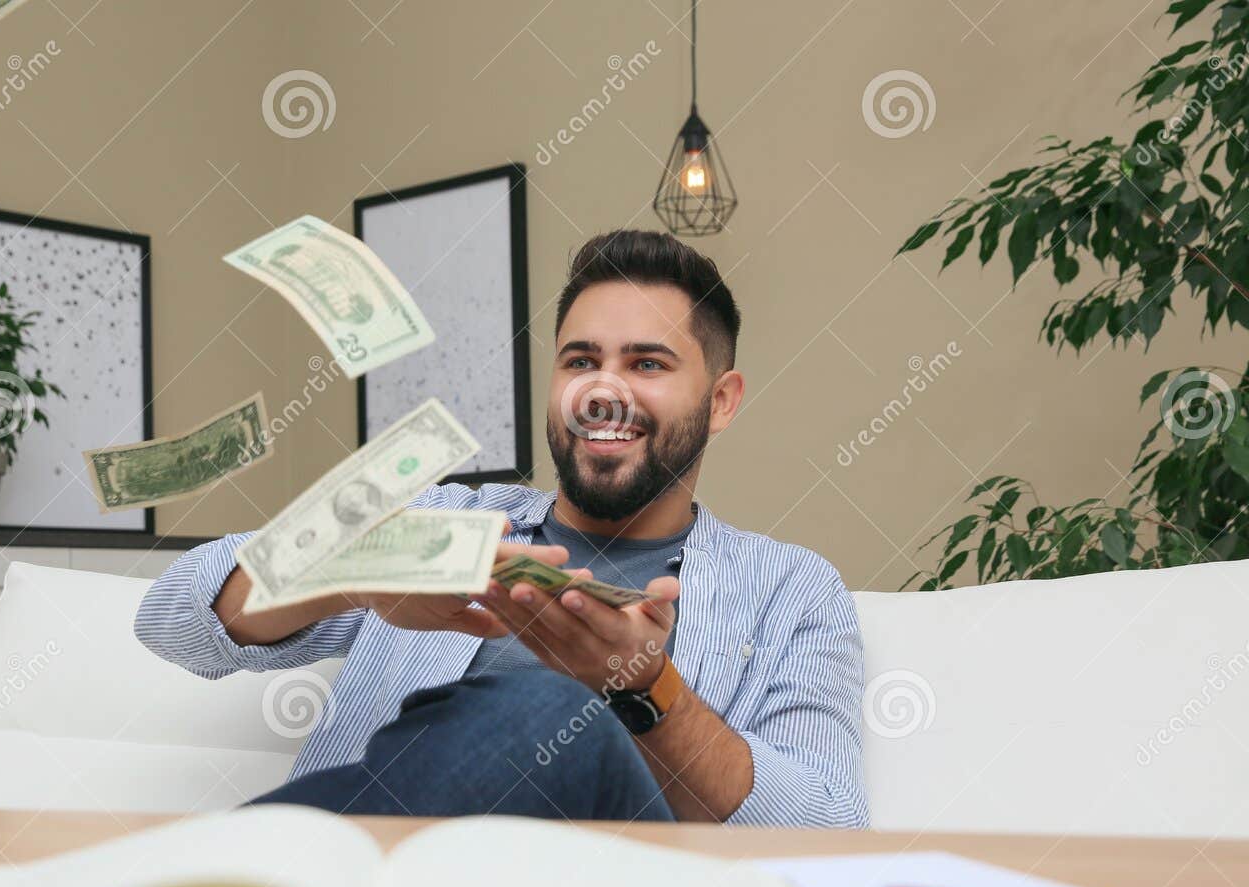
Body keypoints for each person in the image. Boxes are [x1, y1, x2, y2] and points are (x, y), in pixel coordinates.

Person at [135, 229, 867, 826]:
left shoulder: (792, 589)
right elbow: (171, 617)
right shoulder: (445, 519)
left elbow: (830, 833)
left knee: (554, 711)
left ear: (720, 401)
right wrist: (351, 574)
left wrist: (647, 689)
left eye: (647, 363)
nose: (603, 392)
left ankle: (229, 880)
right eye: (581, 361)